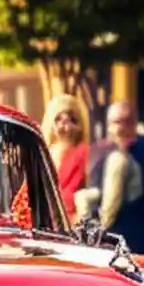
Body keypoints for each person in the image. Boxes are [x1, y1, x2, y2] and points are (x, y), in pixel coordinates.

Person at [83, 101, 144, 255]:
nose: (121, 127)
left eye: (127, 122)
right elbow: (93, 190)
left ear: (135, 123)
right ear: (108, 125)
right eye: (116, 122)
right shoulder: (98, 152)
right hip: (107, 237)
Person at [40, 94, 88, 224]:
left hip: (72, 225)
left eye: (73, 120)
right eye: (58, 119)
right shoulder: (42, 153)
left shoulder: (85, 153)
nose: (66, 126)